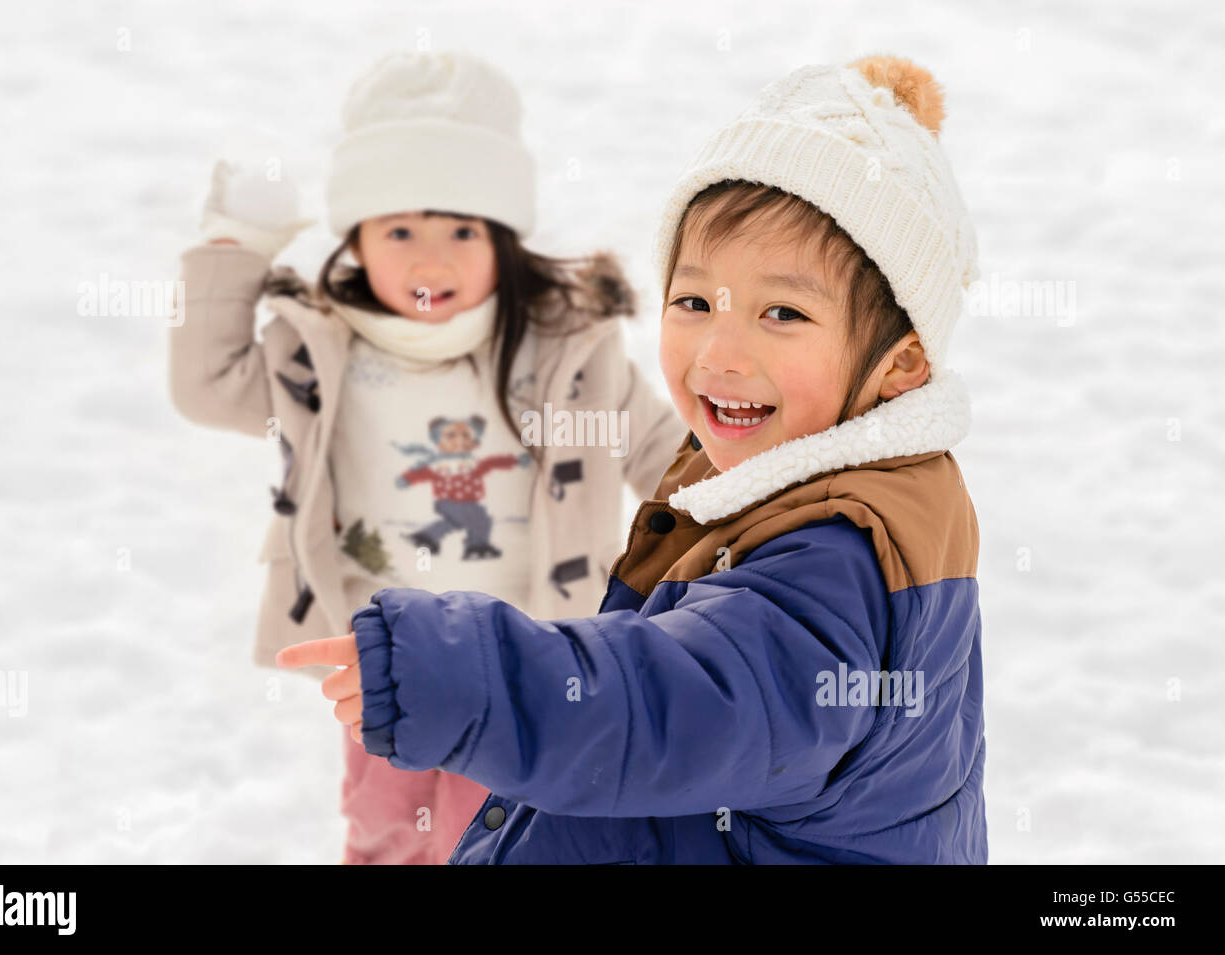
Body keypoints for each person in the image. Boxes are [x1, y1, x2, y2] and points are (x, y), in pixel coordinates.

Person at [278, 54, 988, 864]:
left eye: (782, 312)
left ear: (901, 362)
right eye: (693, 302)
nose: (719, 352)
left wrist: (470, 675)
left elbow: (673, 704)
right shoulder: (785, 478)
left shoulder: (838, 553)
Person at [169, 51, 683, 864]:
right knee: (384, 820)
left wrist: (756, 503)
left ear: (503, 236)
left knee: (492, 828)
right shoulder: (324, 348)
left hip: (526, 654)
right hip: (379, 650)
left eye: (461, 228)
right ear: (358, 236)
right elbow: (208, 386)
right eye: (400, 228)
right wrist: (237, 246)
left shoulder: (562, 349)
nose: (430, 258)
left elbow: (662, 453)